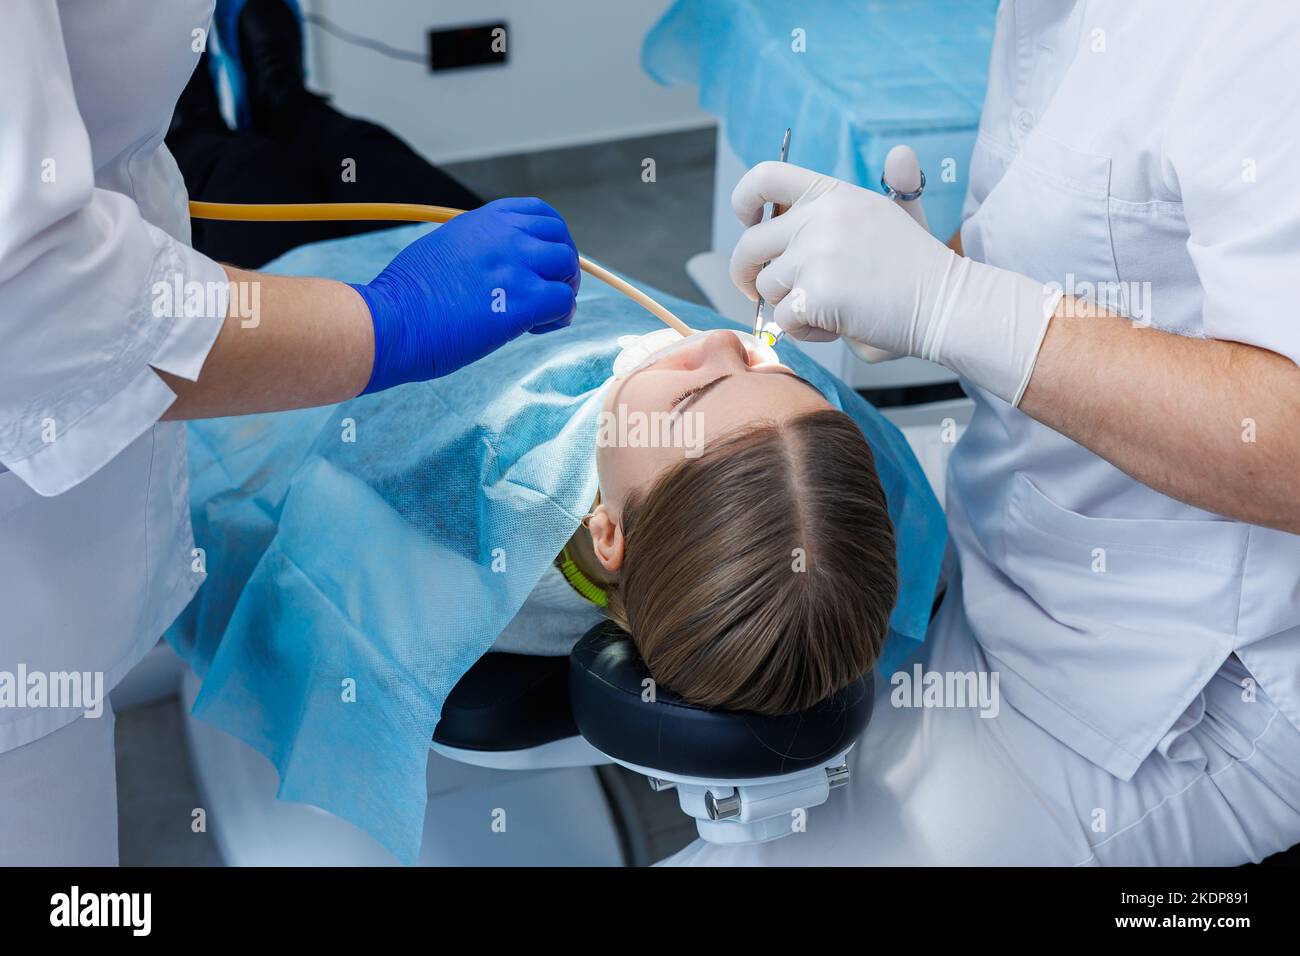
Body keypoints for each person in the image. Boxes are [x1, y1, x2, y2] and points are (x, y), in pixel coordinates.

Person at [669, 0, 1300, 865]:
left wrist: (953, 305)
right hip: (1007, 563)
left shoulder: (1260, 32)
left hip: (1183, 694)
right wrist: (915, 264)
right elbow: (1076, 236)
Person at [0, 0, 578, 866]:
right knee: (327, 153)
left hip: (209, 266)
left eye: (705, 393)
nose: (722, 342)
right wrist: (385, 325)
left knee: (242, 165)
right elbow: (35, 306)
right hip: (220, 295)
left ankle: (253, 88)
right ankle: (275, 85)